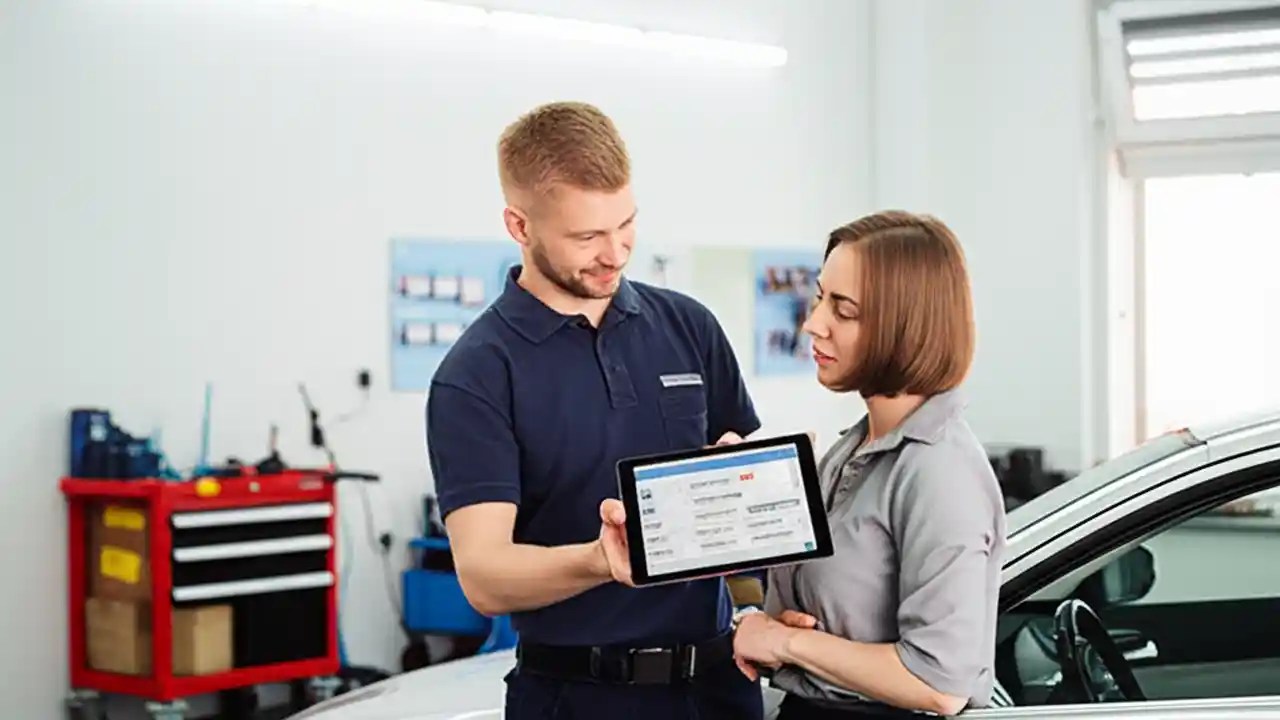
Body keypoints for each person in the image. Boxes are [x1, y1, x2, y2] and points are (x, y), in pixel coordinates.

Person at [425, 101, 764, 720]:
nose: (615, 253)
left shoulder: (689, 326)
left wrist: (748, 498)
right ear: (519, 226)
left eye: (626, 225)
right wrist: (600, 561)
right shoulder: (477, 373)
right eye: (586, 237)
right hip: (579, 698)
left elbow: (742, 502)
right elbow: (483, 575)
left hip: (719, 688)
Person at [729, 211, 1007, 719]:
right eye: (819, 298)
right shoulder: (849, 451)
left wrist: (785, 644)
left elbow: (939, 683)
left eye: (844, 309)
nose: (813, 322)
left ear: (904, 326)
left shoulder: (938, 471)